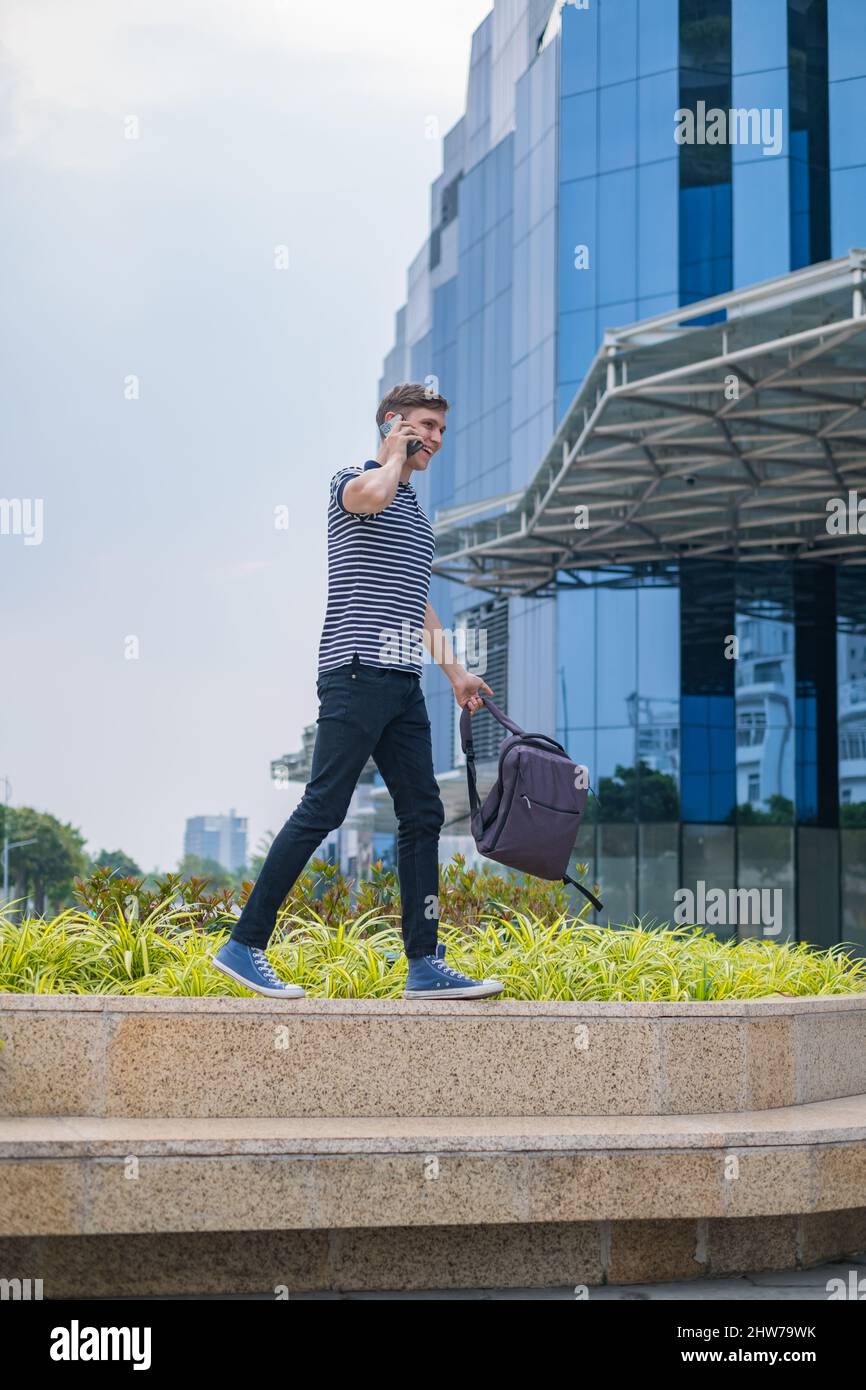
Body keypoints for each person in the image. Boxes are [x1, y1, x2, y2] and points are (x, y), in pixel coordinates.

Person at [212, 383, 504, 1000]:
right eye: (427, 426)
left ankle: (424, 963)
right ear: (394, 424)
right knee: (324, 807)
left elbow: (414, 595)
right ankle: (244, 944)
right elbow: (370, 497)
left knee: (423, 812)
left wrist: (455, 673)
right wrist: (395, 455)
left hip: (402, 682)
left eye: (443, 431)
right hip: (354, 669)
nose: (437, 440)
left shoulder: (416, 510)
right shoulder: (357, 479)